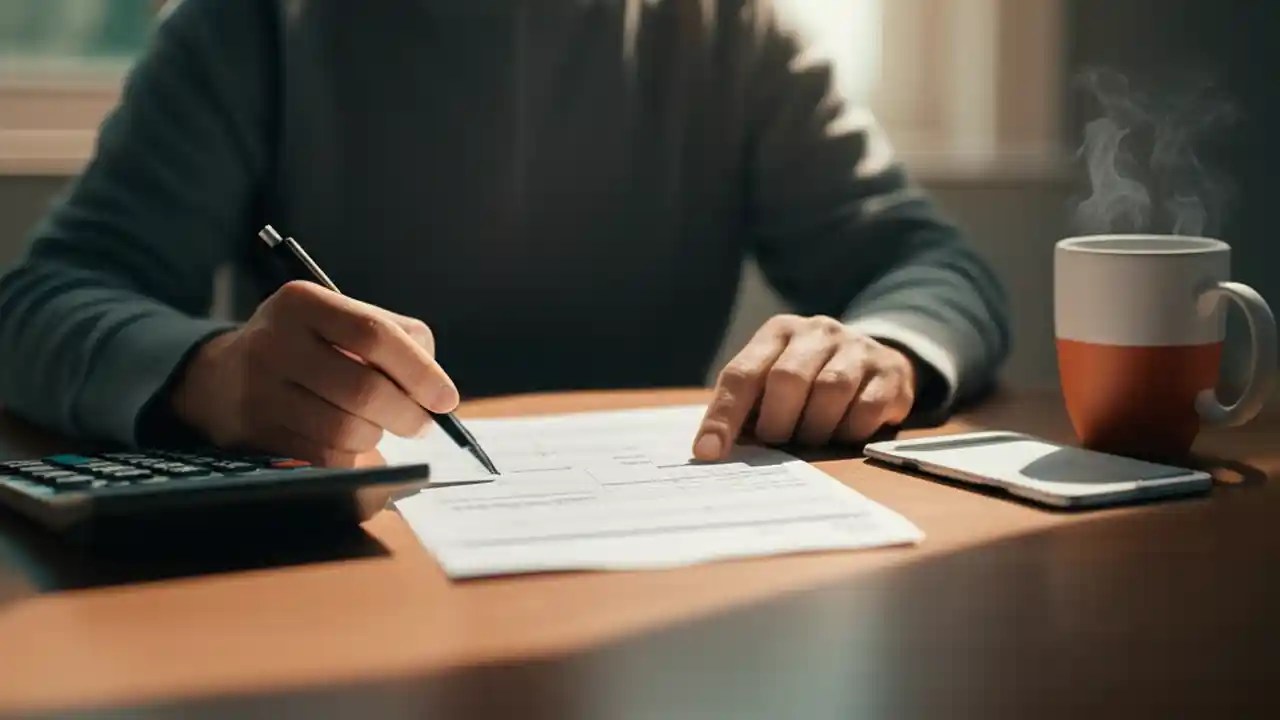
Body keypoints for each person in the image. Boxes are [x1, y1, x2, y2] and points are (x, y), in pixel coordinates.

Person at [0, 0, 1009, 467]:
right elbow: (39, 305)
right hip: (332, 595)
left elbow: (930, 270)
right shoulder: (251, 27)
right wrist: (207, 376)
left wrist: (880, 352)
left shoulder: (728, 33)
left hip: (653, 595)